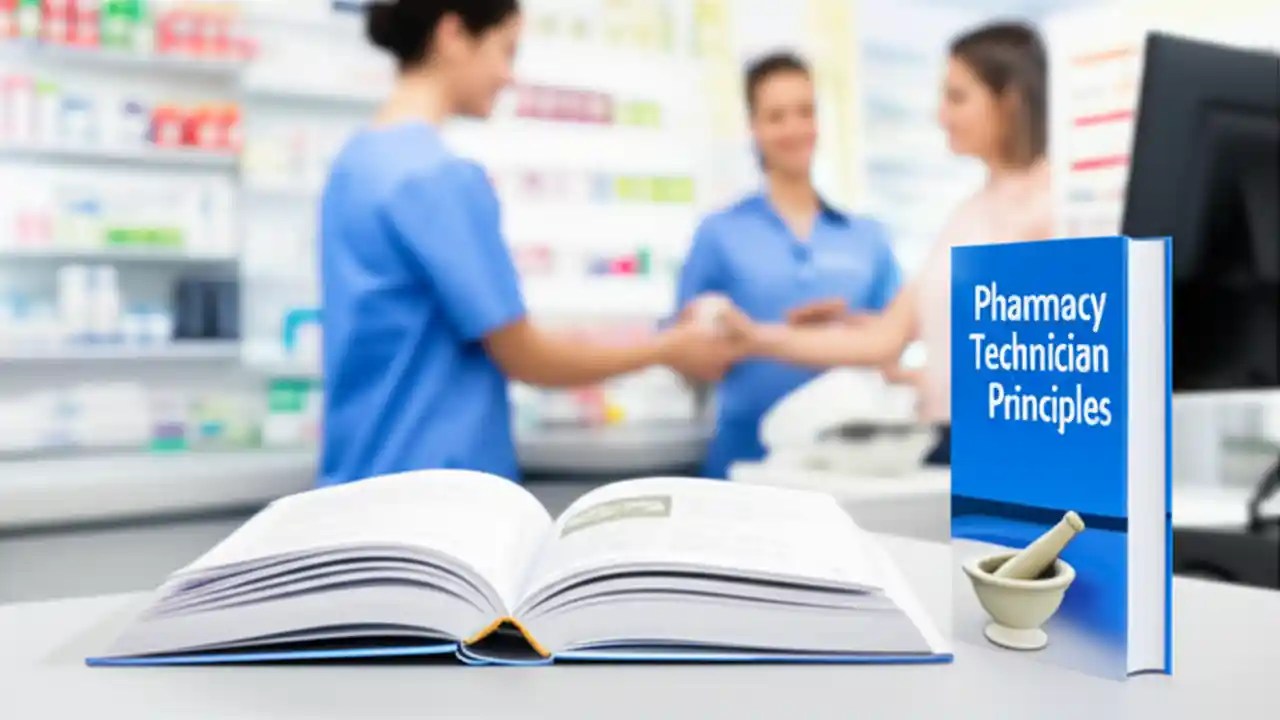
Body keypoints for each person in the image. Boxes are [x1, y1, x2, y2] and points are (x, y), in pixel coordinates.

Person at [319, 0, 735, 486]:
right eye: (505, 51)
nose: (507, 75)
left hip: (360, 484)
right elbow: (525, 355)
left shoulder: (354, 164)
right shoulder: (438, 178)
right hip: (433, 496)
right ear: (453, 35)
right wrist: (667, 349)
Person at [716, 23, 1053, 467]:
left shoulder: (1058, 204)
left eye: (957, 98)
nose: (941, 116)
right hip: (952, 443)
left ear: (1009, 100)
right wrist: (761, 336)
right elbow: (886, 338)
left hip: (1019, 451)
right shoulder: (967, 214)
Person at [676, 52, 903, 479]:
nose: (795, 128)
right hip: (744, 461)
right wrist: (713, 329)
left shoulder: (867, 237)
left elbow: (893, 346)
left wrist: (850, 326)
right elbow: (684, 354)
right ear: (754, 127)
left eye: (805, 111)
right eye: (777, 116)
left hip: (851, 468)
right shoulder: (720, 233)